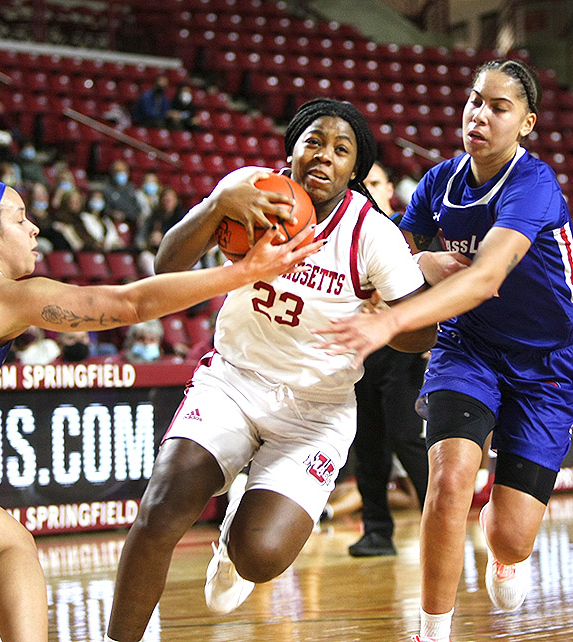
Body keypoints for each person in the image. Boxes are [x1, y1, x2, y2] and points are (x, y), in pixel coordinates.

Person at [0, 150, 321, 642]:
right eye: (20, 219)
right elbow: (126, 303)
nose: (34, 231)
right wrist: (240, 273)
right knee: (10, 549)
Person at [105, 98, 438, 642]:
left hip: (316, 409)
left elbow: (421, 332)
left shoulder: (371, 232)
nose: (324, 156)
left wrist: (389, 318)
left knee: (261, 556)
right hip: (233, 380)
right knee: (161, 509)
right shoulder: (252, 191)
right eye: (313, 141)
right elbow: (166, 268)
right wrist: (217, 203)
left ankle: (234, 548)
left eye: (341, 149)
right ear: (292, 149)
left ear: (355, 168)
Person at [315, 60, 573, 642]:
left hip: (547, 365)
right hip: (469, 347)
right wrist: (417, 263)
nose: (479, 114)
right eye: (473, 100)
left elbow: (486, 276)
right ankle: (431, 631)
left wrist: (390, 320)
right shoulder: (440, 182)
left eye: (497, 106)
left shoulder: (532, 184)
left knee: (511, 533)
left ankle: (508, 550)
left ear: (527, 124)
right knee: (448, 479)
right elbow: (390, 253)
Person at [348, 161, 431, 557]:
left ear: (390, 189)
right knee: (368, 442)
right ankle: (377, 530)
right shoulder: (345, 233)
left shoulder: (407, 229)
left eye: (375, 183)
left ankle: (441, 516)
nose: (367, 189)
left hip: (405, 346)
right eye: (361, 183)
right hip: (361, 349)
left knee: (405, 434)